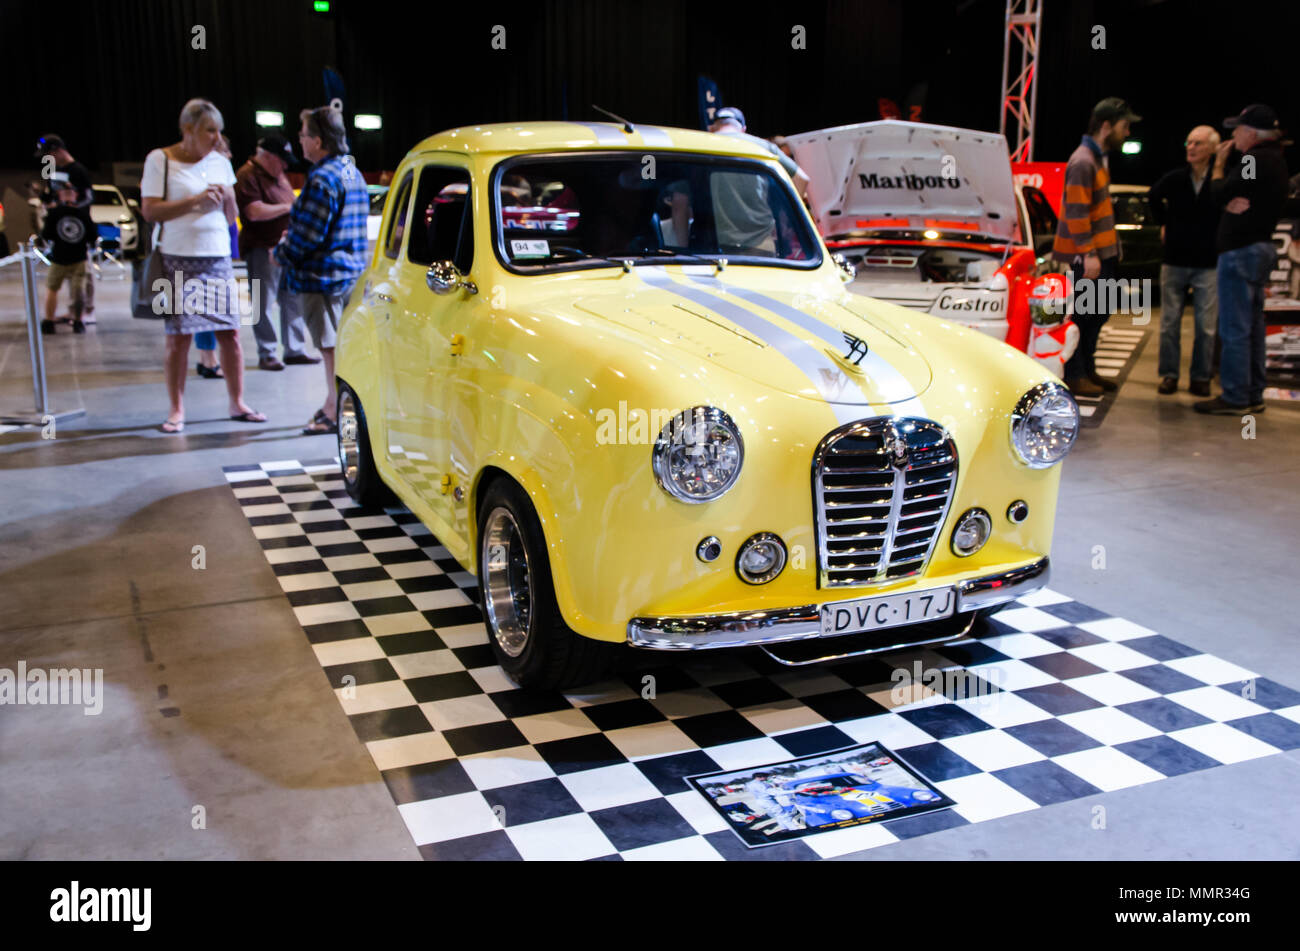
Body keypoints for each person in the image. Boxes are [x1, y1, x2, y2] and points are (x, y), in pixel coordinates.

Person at [140, 98, 266, 433]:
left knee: (231, 333)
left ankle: (237, 403)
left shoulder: (221, 162)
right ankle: (176, 410)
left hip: (218, 257)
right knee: (178, 338)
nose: (216, 137)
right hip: (176, 257)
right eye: (210, 130)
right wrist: (195, 201)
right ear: (188, 130)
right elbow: (150, 212)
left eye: (219, 130)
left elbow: (232, 217)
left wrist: (226, 199)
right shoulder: (160, 159)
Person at [275, 105, 369, 435]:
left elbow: (307, 237)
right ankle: (340, 407)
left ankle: (334, 410)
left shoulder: (322, 178)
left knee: (329, 348)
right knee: (341, 347)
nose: (299, 142)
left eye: (302, 135)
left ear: (317, 141)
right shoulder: (350, 170)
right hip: (349, 275)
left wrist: (282, 251)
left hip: (322, 278)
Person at [1195, 104, 1290, 415]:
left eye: (1238, 129)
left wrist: (1220, 165)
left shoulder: (1253, 159)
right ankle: (1252, 394)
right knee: (1252, 326)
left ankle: (1235, 397)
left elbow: (1221, 191)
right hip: (1259, 248)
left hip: (1241, 251)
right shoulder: (1275, 160)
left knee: (1235, 328)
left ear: (1251, 133)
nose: (1233, 134)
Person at [1051, 97, 1140, 397]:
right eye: (1124, 126)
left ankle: (1087, 370)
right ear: (1106, 126)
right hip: (1089, 258)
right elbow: (1076, 212)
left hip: (1101, 255)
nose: (1127, 132)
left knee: (1097, 315)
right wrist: (1088, 253)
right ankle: (1075, 374)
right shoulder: (1083, 160)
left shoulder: (1096, 158)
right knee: (1083, 315)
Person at [1148, 125, 1222, 396]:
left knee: (1205, 326)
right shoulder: (1176, 178)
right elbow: (1153, 196)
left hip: (1208, 262)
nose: (1191, 147)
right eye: (1189, 142)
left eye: (1198, 143)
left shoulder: (1219, 180)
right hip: (1175, 259)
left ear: (1213, 148)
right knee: (1169, 323)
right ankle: (1169, 374)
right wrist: (1164, 224)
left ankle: (1201, 377)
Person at [236, 132, 316, 372]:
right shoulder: (247, 175)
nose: (283, 166)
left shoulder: (277, 175)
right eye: (280, 161)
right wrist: (288, 207)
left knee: (292, 299)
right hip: (261, 249)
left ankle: (294, 350)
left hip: (285, 248)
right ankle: (268, 352)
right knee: (263, 302)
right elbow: (253, 212)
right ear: (267, 156)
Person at [34, 134, 97, 323]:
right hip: (61, 230)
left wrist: (72, 209)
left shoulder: (78, 171)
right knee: (68, 276)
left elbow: (88, 197)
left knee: (82, 273)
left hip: (77, 230)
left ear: (58, 151)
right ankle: (73, 310)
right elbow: (52, 196)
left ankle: (87, 310)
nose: (48, 159)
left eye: (49, 154)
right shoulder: (54, 170)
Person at [39, 173, 97, 335]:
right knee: (78, 291)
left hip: (59, 258)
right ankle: (78, 322)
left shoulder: (54, 214)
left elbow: (46, 235)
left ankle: (49, 321)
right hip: (78, 257)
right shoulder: (83, 214)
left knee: (53, 289)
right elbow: (92, 236)